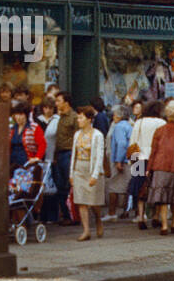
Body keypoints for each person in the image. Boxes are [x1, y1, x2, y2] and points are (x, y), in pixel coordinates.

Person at [145, 100, 174, 235]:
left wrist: (149, 168)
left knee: (163, 198)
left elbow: (153, 151)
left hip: (160, 166)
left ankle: (164, 225)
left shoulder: (159, 131)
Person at [70, 107, 106, 241]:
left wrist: (95, 175)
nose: (78, 120)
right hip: (79, 167)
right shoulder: (76, 134)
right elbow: (74, 154)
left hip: (91, 169)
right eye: (78, 118)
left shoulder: (97, 135)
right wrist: (71, 173)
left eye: (81, 118)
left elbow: (99, 155)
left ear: (89, 119)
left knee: (93, 201)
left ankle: (98, 219)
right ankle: (86, 230)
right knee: (81, 201)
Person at [128, 101, 165, 229]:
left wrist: (131, 160)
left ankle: (141, 216)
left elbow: (133, 142)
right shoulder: (161, 123)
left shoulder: (139, 122)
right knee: (157, 187)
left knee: (139, 188)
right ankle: (155, 216)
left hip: (139, 158)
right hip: (156, 159)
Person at [51, 92, 79, 226]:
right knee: (60, 186)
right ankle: (66, 214)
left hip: (69, 153)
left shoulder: (74, 117)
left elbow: (77, 137)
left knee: (69, 185)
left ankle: (73, 214)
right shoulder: (60, 118)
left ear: (66, 103)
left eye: (58, 101)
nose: (56, 103)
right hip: (60, 154)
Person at [104, 105, 133, 221]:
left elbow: (121, 143)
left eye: (115, 114)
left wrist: (118, 160)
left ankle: (112, 213)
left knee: (113, 186)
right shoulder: (130, 126)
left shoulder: (118, 127)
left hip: (121, 160)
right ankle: (127, 210)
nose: (113, 117)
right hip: (131, 158)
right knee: (128, 186)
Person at [9, 101, 46, 170]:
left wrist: (37, 158)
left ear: (26, 115)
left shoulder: (34, 127)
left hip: (27, 162)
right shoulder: (12, 129)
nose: (18, 117)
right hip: (12, 162)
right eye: (16, 114)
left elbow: (42, 144)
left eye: (21, 114)